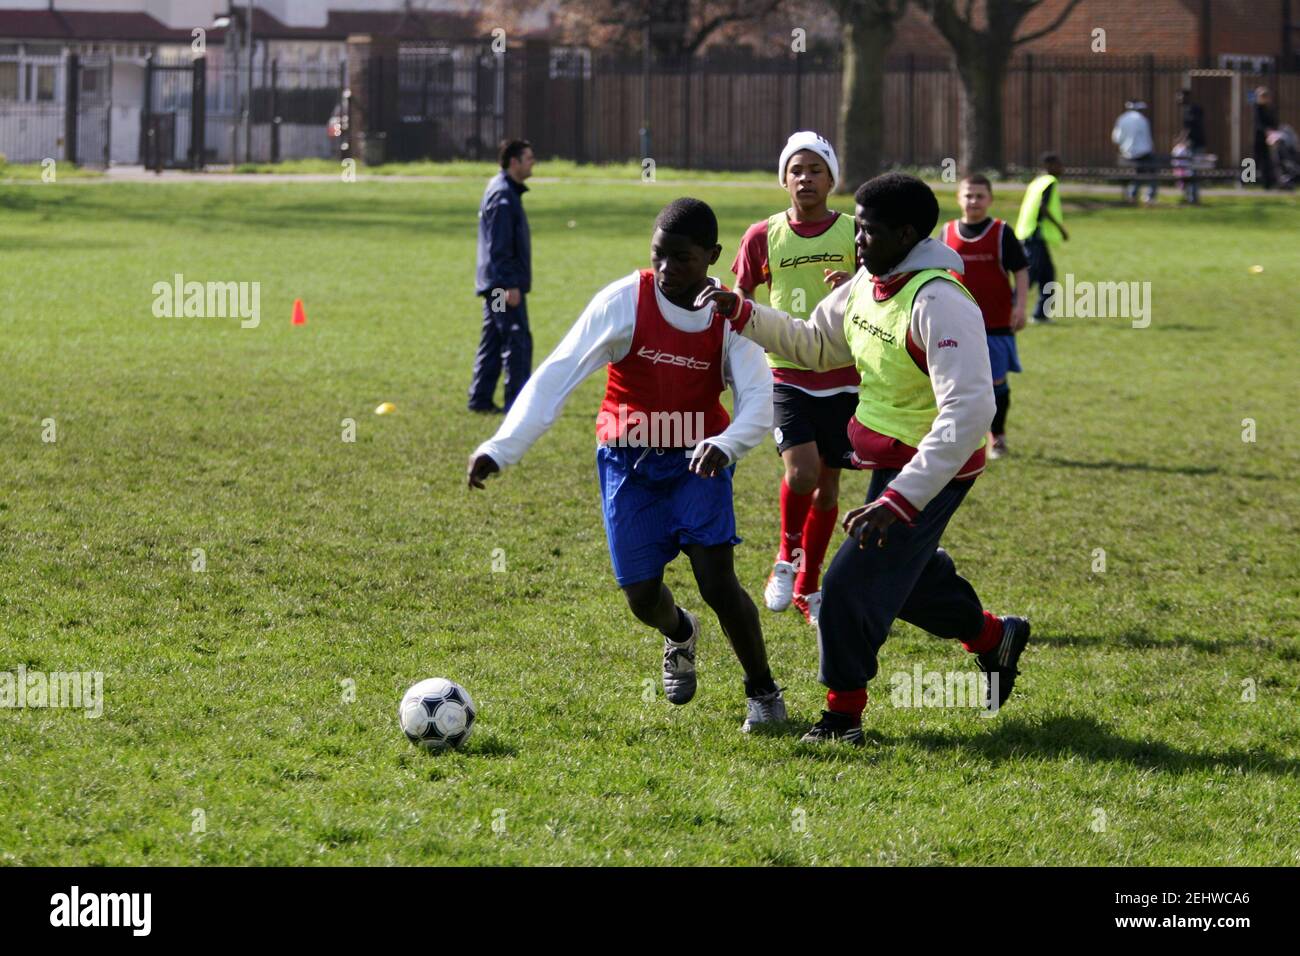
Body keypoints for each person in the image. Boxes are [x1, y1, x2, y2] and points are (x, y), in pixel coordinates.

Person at [697, 174, 1031, 745]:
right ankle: (995, 637)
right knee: (905, 581)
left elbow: (971, 411)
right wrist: (743, 312)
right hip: (893, 461)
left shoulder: (940, 302)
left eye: (869, 231)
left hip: (936, 468)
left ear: (906, 234)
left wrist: (899, 501)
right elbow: (812, 343)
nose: (857, 241)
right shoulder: (866, 284)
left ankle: (842, 718)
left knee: (846, 587)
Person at [466, 198, 787, 732]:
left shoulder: (729, 315)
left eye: (682, 258)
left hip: (700, 461)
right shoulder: (623, 301)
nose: (666, 269)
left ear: (712, 256)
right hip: (628, 462)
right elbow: (558, 373)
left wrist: (728, 443)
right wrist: (501, 447)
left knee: (717, 581)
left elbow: (759, 396)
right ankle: (680, 633)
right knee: (641, 597)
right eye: (659, 254)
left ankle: (763, 691)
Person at [731, 131, 857, 629]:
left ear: (832, 179)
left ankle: (809, 585)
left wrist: (854, 286)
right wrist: (734, 361)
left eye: (816, 170)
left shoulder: (854, 232)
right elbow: (740, 297)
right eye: (796, 170)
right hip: (787, 373)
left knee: (827, 487)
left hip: (845, 375)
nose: (806, 178)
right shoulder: (762, 235)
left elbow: (882, 290)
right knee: (802, 473)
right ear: (784, 179)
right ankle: (787, 556)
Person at [939, 174, 1029, 459]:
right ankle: (960, 438)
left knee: (995, 384)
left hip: (996, 324)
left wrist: (1020, 306)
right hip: (956, 326)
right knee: (955, 385)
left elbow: (1021, 270)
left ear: (990, 199)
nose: (974, 201)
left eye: (980, 196)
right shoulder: (947, 232)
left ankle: (997, 436)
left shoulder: (1002, 232)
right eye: (968, 195)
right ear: (958, 198)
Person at [469, 139, 535, 413]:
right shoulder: (503, 196)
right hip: (501, 287)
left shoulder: (503, 190)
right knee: (516, 340)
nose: (533, 163)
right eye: (528, 158)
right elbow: (500, 246)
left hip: (494, 285)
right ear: (514, 162)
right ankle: (517, 405)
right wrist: (510, 284)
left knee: (494, 338)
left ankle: (480, 399)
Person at [1014, 153, 1068, 324]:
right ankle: (1009, 307)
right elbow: (1042, 206)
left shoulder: (1037, 182)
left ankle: (1041, 315)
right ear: (1049, 165)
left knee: (1048, 275)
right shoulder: (1049, 182)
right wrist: (1060, 228)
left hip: (1029, 233)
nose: (1062, 168)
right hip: (1034, 235)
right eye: (1059, 164)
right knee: (1030, 276)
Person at [1112, 99, 1157, 205]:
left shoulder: (1122, 118)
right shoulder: (1142, 119)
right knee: (1153, 172)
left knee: (1139, 172)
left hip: (1126, 155)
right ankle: (1149, 196)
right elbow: (1147, 139)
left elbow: (1116, 138)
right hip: (1142, 154)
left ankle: (1132, 194)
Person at [1176, 89, 1206, 204]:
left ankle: (1193, 198)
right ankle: (1191, 196)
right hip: (1195, 144)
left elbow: (1189, 128)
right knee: (1190, 171)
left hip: (1195, 144)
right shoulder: (1190, 109)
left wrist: (1182, 140)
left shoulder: (1191, 110)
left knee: (1192, 172)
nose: (1179, 99)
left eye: (1180, 97)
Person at [1253, 87, 1278, 190]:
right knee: (1256, 160)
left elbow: (1273, 122)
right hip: (1260, 138)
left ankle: (1268, 183)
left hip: (1269, 138)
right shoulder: (1258, 108)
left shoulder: (1269, 109)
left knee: (1267, 161)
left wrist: (1273, 131)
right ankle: (1245, 179)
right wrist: (1266, 130)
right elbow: (1259, 124)